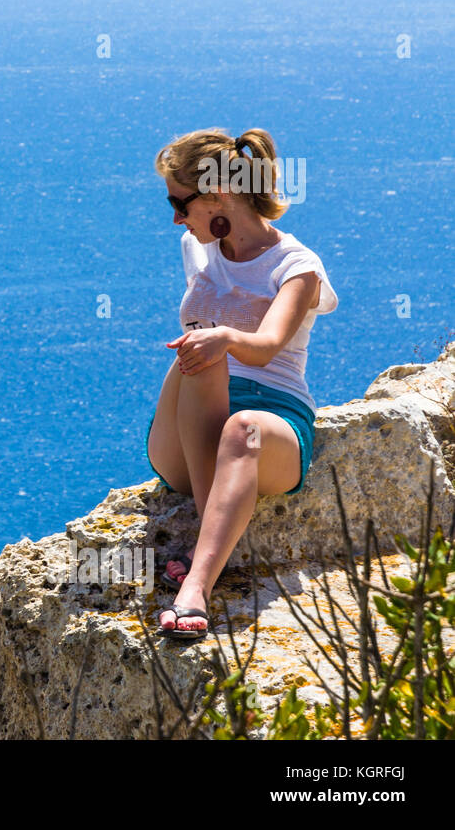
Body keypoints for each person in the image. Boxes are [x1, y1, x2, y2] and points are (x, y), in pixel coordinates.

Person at [145, 128, 339, 640]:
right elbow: (206, 349)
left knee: (241, 427)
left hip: (266, 429)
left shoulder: (297, 267)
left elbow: (269, 344)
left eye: (180, 203)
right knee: (196, 350)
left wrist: (226, 337)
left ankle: (196, 585)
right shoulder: (198, 247)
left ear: (217, 196)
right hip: (189, 440)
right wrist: (212, 342)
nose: (176, 218)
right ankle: (218, 531)